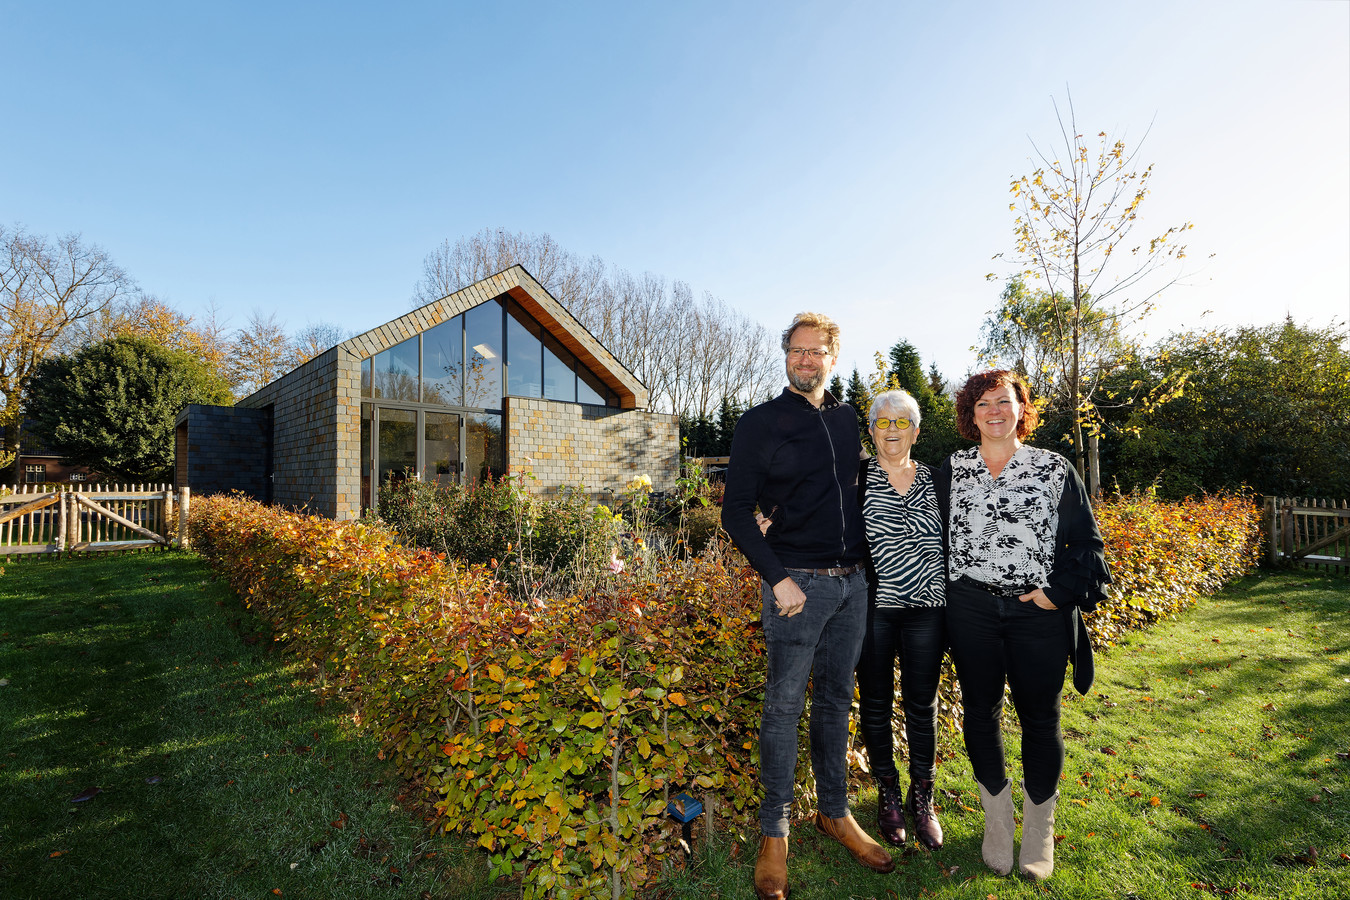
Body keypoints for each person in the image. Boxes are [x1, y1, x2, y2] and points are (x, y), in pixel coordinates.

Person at [722, 312, 895, 900]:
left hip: (853, 584)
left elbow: (859, 484)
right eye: (797, 350)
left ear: (832, 358)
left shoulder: (847, 419)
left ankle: (835, 812)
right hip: (796, 585)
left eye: (816, 351)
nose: (805, 359)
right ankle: (775, 834)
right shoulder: (759, 423)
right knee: (783, 708)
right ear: (786, 356)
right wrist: (776, 578)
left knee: (836, 701)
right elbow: (735, 511)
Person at [935, 370, 1110, 881]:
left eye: (1003, 401)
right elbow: (920, 526)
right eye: (983, 403)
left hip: (1037, 613)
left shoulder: (1053, 468)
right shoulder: (954, 469)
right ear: (970, 415)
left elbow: (1087, 544)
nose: (994, 411)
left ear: (1021, 408)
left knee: (1040, 718)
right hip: (970, 609)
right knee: (980, 712)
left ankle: (1038, 828)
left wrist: (1057, 592)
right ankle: (997, 822)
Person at [853, 389, 947, 851]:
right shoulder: (854, 479)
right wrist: (771, 519)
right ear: (871, 430)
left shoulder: (939, 480)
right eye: (883, 422)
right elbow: (811, 506)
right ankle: (888, 791)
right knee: (875, 704)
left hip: (928, 608)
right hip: (874, 609)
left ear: (916, 430)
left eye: (902, 421)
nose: (892, 430)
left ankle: (922, 796)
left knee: (921, 705)